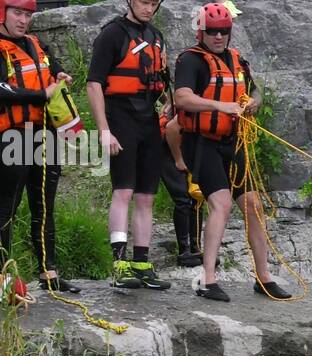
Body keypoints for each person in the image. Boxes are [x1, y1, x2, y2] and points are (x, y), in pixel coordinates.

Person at [173, 2, 290, 303]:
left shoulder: (237, 60)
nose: (218, 37)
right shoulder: (191, 60)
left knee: (253, 206)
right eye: (212, 32)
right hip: (202, 142)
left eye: (224, 31)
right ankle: (207, 278)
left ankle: (263, 278)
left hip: (234, 141)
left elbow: (256, 92)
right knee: (222, 204)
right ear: (201, 32)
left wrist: (253, 102)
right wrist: (219, 105)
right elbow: (182, 98)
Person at [86, 0, 171, 290]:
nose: (149, 8)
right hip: (120, 117)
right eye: (143, 2)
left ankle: (142, 263)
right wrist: (103, 130)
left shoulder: (156, 36)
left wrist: (167, 105)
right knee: (123, 190)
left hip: (148, 120)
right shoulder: (112, 34)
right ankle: (119, 264)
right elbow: (94, 84)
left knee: (146, 196)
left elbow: (156, 80)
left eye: (153, 3)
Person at [0, 0, 81, 294]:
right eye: (17, 13)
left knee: (44, 205)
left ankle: (50, 274)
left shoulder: (35, 43)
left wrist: (61, 76)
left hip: (43, 135)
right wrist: (39, 95)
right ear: (2, 13)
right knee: (6, 208)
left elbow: (53, 70)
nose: (24, 20)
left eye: (28, 14)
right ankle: (3, 276)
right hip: (13, 136)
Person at [159, 104, 203, 267]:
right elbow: (171, 128)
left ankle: (196, 248)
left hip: (187, 147)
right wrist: (179, 159)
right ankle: (184, 251)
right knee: (183, 197)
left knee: (197, 196)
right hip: (167, 147)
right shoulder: (194, 105)